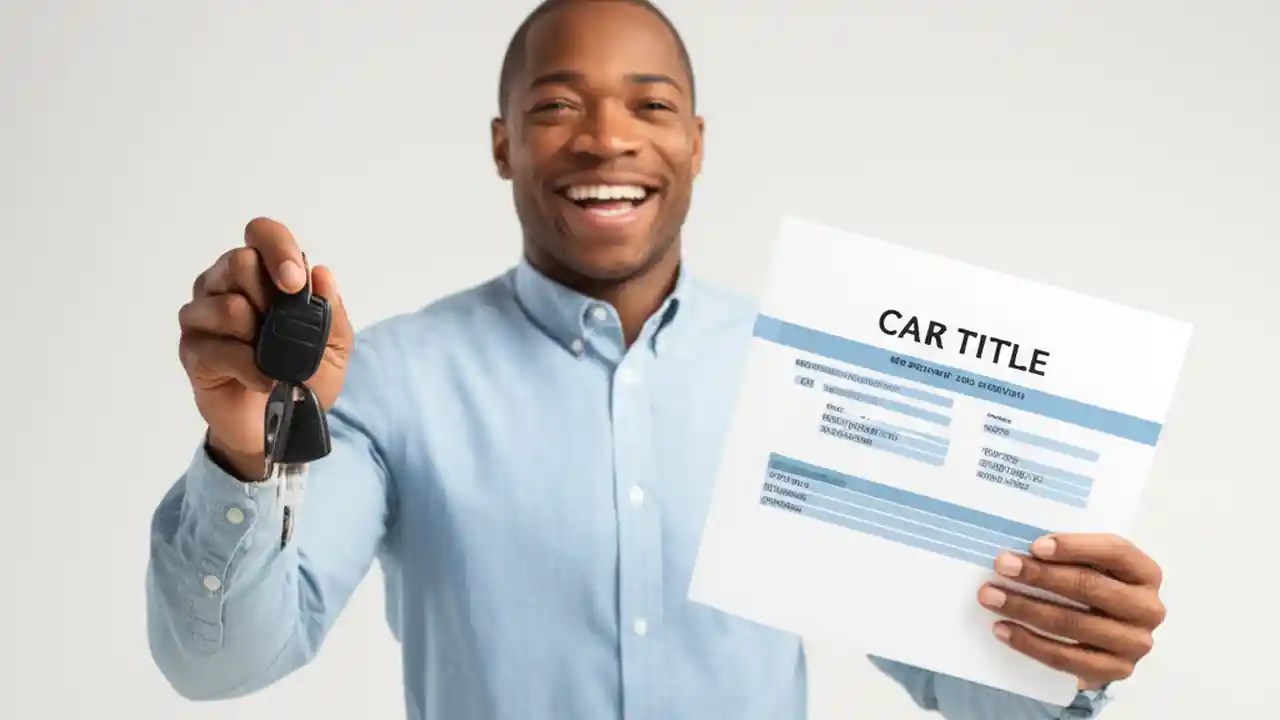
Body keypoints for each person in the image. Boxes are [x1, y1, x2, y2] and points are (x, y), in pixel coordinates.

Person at [147, 1, 1167, 718]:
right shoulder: (390, 382)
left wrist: (1065, 658)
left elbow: (966, 688)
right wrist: (242, 446)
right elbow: (220, 663)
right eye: (556, 105)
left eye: (649, 104)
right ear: (502, 144)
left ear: (696, 141)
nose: (605, 139)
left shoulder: (802, 376)